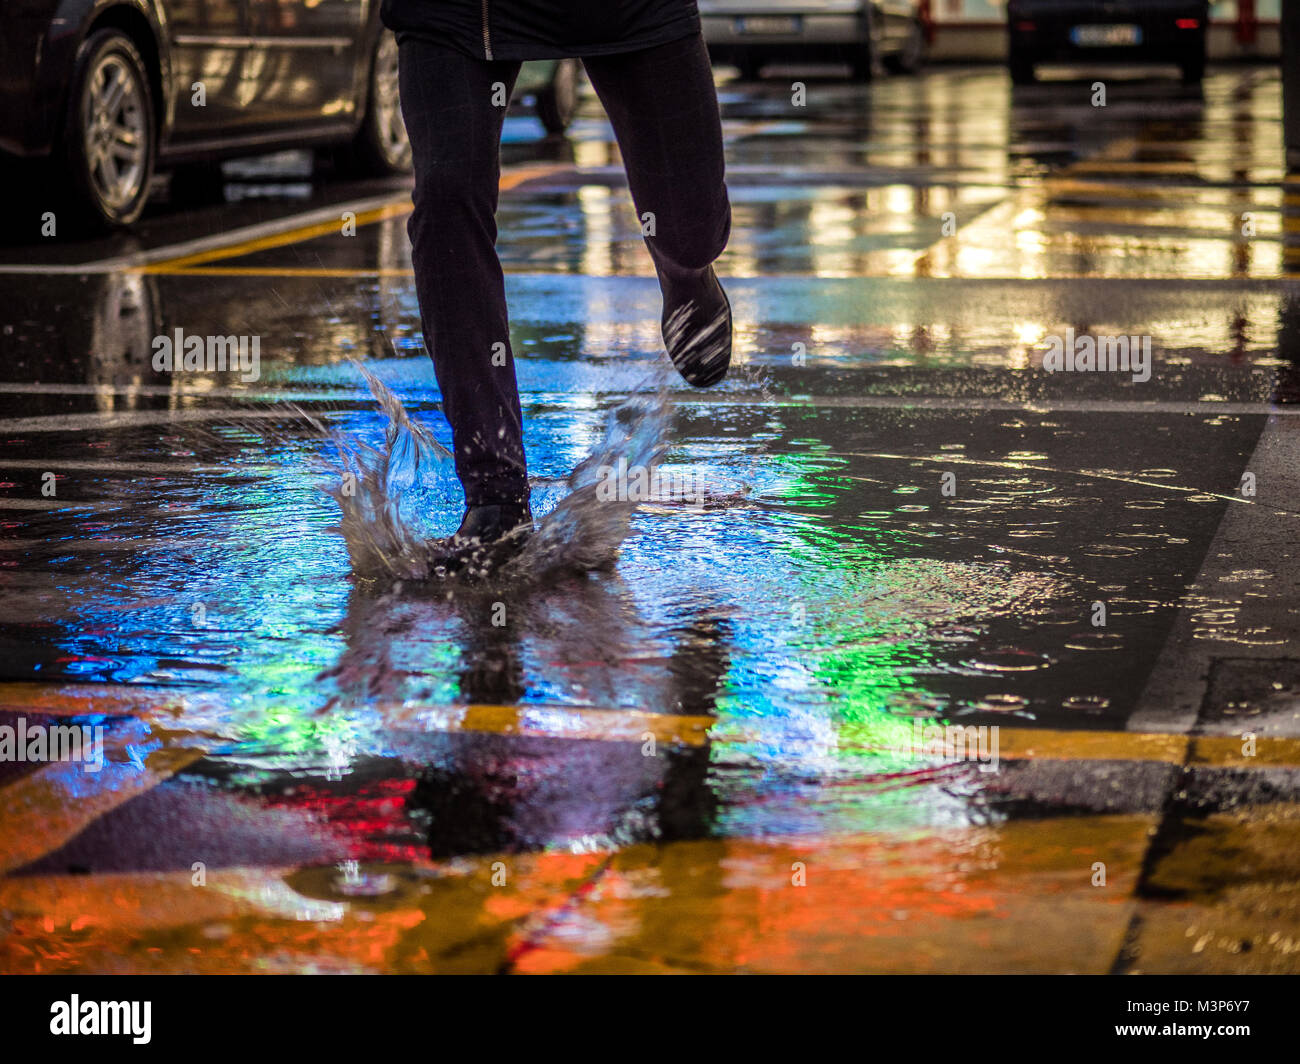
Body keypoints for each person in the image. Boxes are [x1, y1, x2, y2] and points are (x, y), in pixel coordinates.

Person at [379, 0, 733, 569]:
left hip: (627, 11)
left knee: (689, 227)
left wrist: (685, 265)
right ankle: (495, 497)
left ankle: (685, 270)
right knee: (446, 201)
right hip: (459, 17)